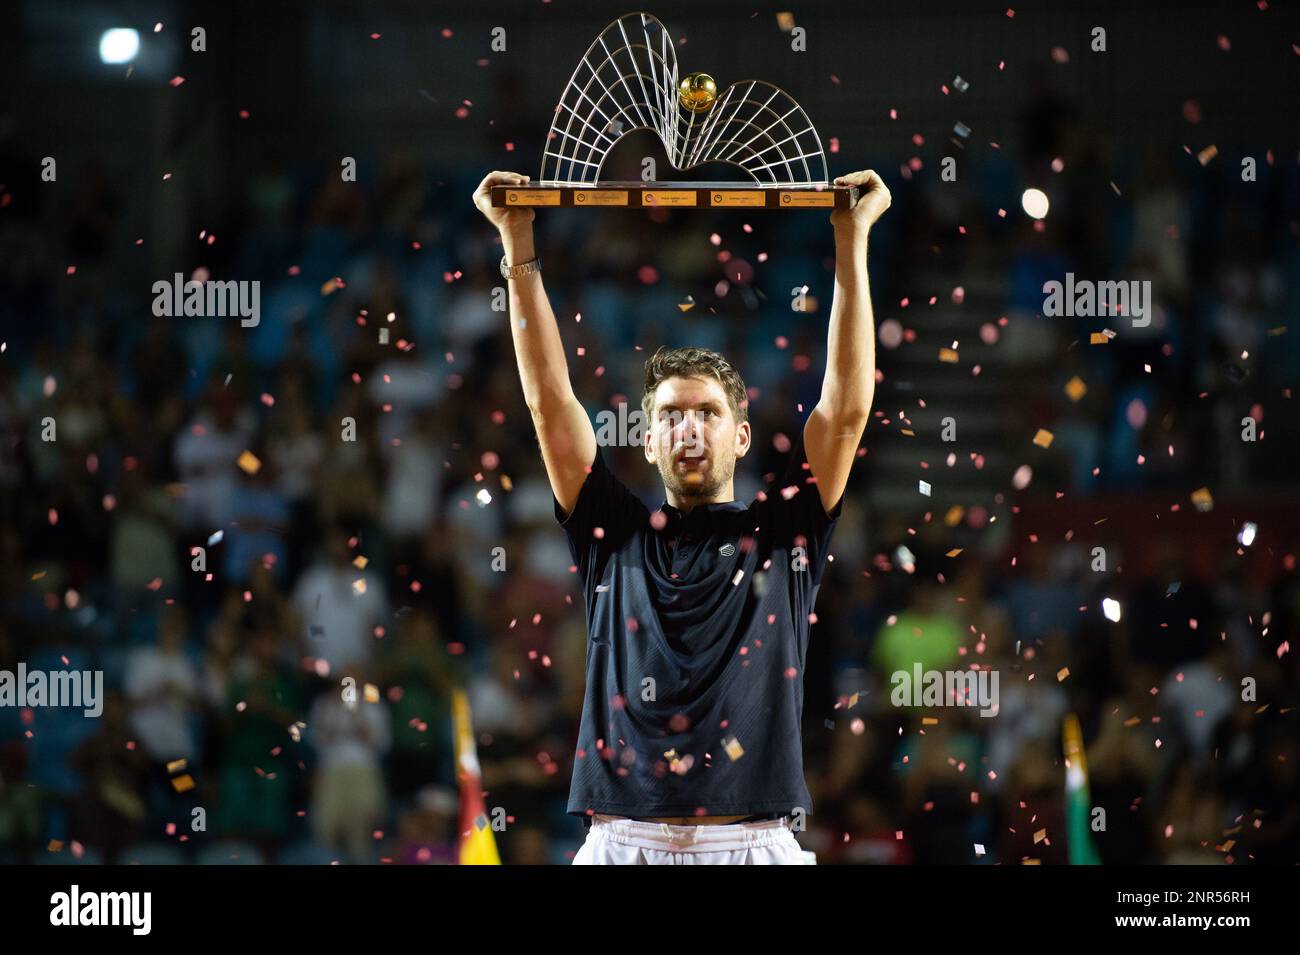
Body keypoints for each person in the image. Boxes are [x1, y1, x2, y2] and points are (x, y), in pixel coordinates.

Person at [471, 168, 891, 864]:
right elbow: (549, 403)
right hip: (620, 844)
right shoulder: (611, 531)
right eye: (670, 415)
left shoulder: (783, 531)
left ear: (742, 436)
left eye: (707, 413)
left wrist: (852, 238)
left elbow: (844, 410)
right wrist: (516, 239)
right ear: (646, 439)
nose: (689, 428)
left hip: (753, 843)